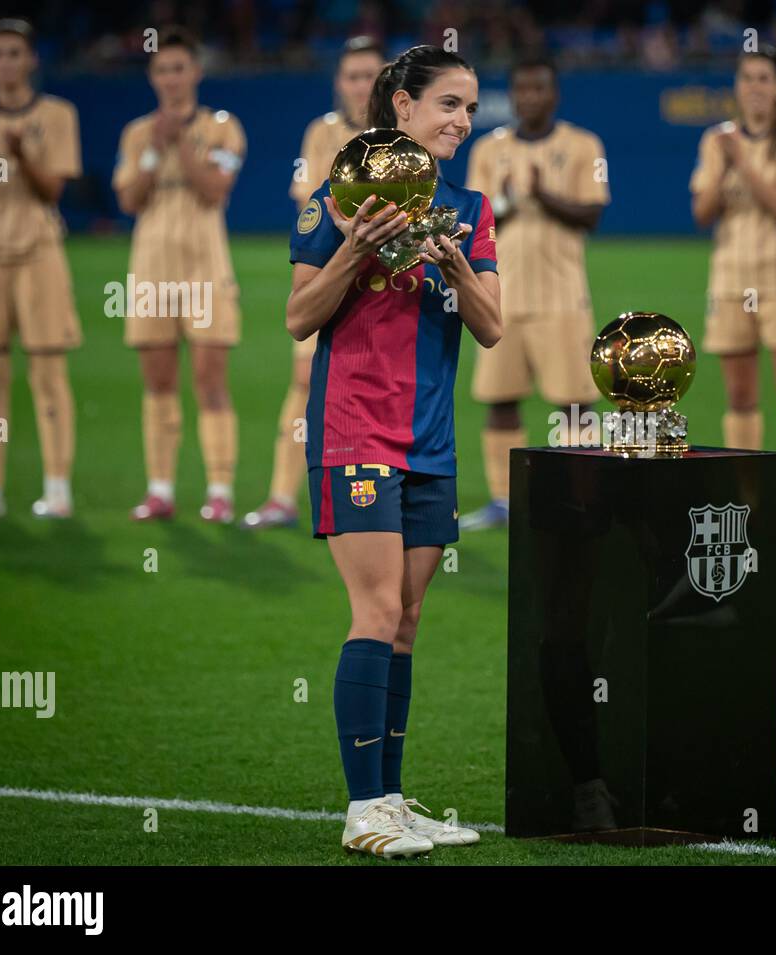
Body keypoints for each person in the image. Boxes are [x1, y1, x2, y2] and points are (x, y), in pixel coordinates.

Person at [286, 45, 502, 857]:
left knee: (406, 622)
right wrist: (355, 245)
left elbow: (491, 326)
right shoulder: (336, 197)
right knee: (375, 612)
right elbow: (299, 317)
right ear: (400, 107)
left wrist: (454, 262)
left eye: (472, 108)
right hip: (355, 431)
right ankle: (363, 808)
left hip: (431, 441)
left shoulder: (469, 209)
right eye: (448, 103)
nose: (462, 121)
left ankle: (393, 798)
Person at [459, 56, 609, 531]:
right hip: (502, 297)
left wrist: (544, 196)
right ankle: (505, 501)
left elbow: (592, 214)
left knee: (575, 402)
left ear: (554, 94)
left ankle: (578, 494)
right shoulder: (488, 149)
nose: (530, 98)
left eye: (539, 88)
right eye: (522, 89)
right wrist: (501, 202)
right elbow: (473, 225)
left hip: (565, 297)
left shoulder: (585, 145)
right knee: (501, 399)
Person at [243, 36, 385, 530]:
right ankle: (283, 496)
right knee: (305, 381)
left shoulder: (399, 139)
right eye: (352, 76)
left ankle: (376, 494)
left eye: (371, 75)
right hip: (328, 270)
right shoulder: (320, 133)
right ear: (338, 84)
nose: (362, 85)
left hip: (388, 282)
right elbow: (311, 200)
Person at [113, 27, 246, 523]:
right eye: (162, 69)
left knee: (210, 380)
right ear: (153, 75)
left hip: (205, 270)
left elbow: (215, 188)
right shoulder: (135, 134)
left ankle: (219, 491)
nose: (171, 78)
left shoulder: (222, 127)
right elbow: (129, 199)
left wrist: (179, 144)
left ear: (196, 72)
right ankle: (161, 490)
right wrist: (153, 149)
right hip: (151, 270)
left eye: (179, 68)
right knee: (159, 382)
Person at [0, 18, 82, 519]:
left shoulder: (56, 115)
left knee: (48, 370)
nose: (5, 63)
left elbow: (52, 190)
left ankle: (57, 488)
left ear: (31, 60)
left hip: (37, 251)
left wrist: (18, 152)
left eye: (14, 53)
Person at [691, 46, 776, 523]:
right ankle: (745, 497)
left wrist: (741, 161)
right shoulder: (716, 141)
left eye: (765, 78)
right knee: (740, 397)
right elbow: (702, 212)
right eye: (747, 78)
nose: (755, 87)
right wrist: (726, 164)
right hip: (729, 281)